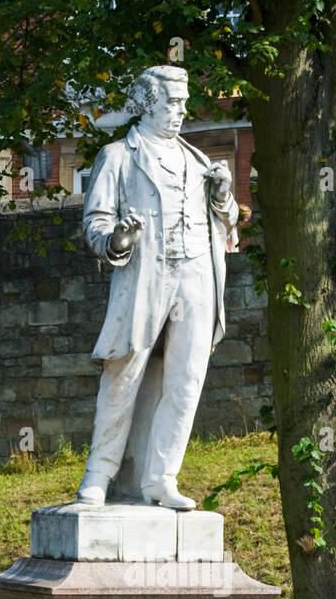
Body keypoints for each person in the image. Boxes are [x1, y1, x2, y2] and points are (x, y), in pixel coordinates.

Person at [76, 65, 239, 510]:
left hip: (198, 275)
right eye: (172, 102)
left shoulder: (199, 161)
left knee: (186, 378)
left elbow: (230, 224)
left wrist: (224, 195)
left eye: (185, 103)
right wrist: (118, 240)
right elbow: (95, 223)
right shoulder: (118, 156)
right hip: (146, 277)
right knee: (123, 372)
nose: (181, 111)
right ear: (147, 102)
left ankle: (161, 478)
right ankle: (98, 474)